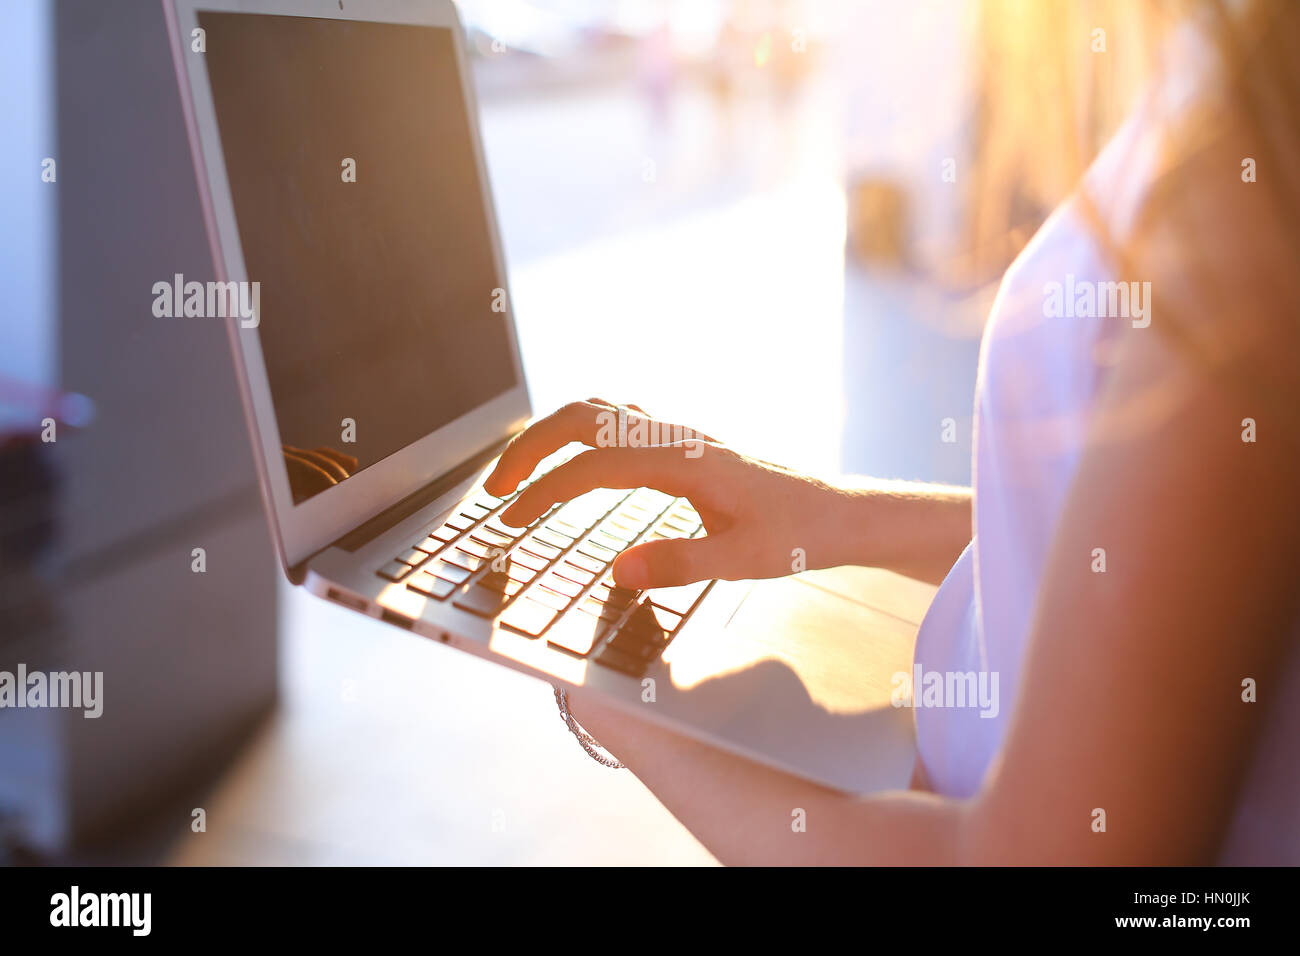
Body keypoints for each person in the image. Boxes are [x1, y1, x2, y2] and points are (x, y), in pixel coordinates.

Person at [483, 0, 1300, 865]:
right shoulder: (1230, 96)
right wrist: (827, 516)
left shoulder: (1248, 168)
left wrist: (617, 700)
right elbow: (1115, 542)